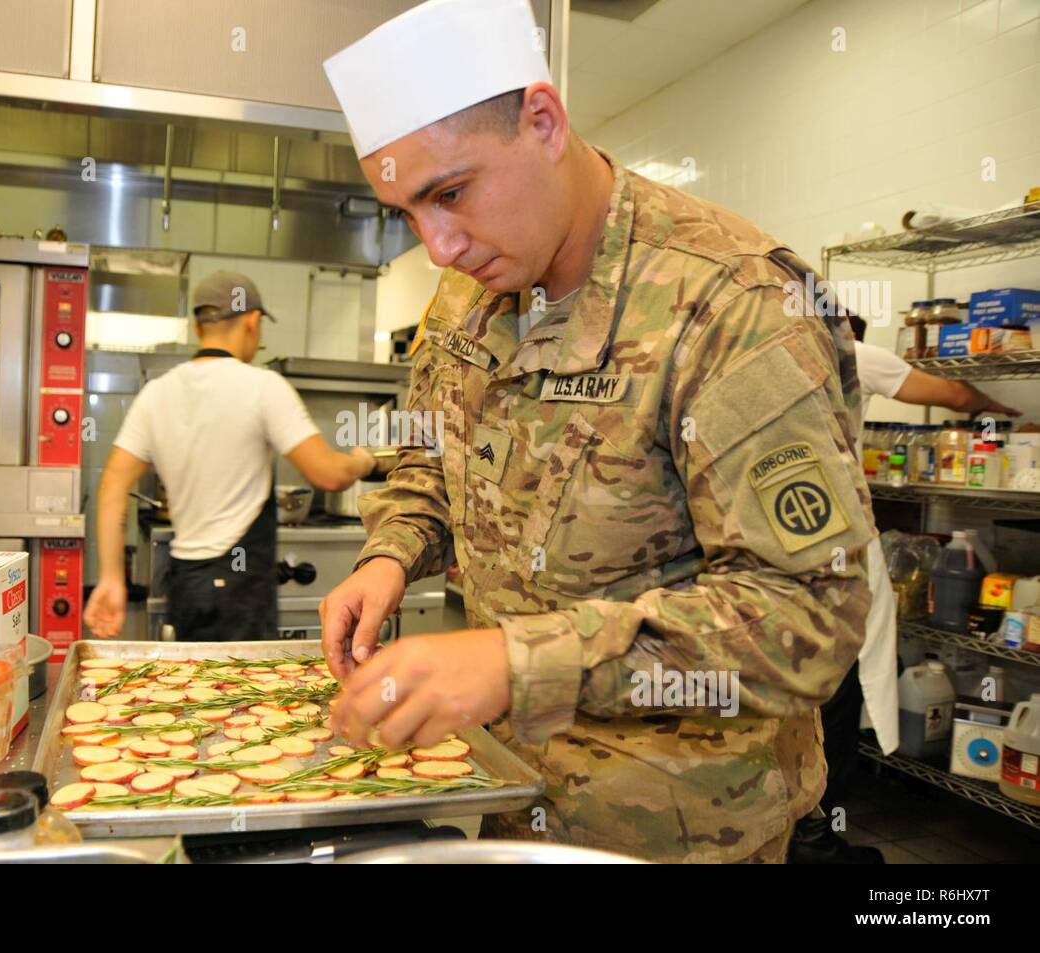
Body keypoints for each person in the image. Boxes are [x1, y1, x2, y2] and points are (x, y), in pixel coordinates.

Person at [315, 0, 877, 863]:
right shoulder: (470, 293)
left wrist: (513, 664)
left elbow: (807, 614)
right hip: (518, 800)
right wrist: (391, 554)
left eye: (451, 193)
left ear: (542, 120)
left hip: (692, 835)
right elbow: (432, 454)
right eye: (405, 211)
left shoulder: (733, 306)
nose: (437, 246)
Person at [790, 316, 1022, 863]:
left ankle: (786, 834)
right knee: (837, 693)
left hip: (773, 544)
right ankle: (815, 841)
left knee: (791, 694)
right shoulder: (853, 352)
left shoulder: (759, 352)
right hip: (836, 545)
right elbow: (952, 391)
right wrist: (998, 410)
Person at [83, 270, 375, 642]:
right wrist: (364, 462)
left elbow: (112, 485)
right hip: (239, 586)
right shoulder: (263, 386)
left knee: (196, 688)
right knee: (238, 694)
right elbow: (329, 474)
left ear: (197, 325)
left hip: (185, 582)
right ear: (252, 322)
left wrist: (111, 578)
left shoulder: (157, 393)